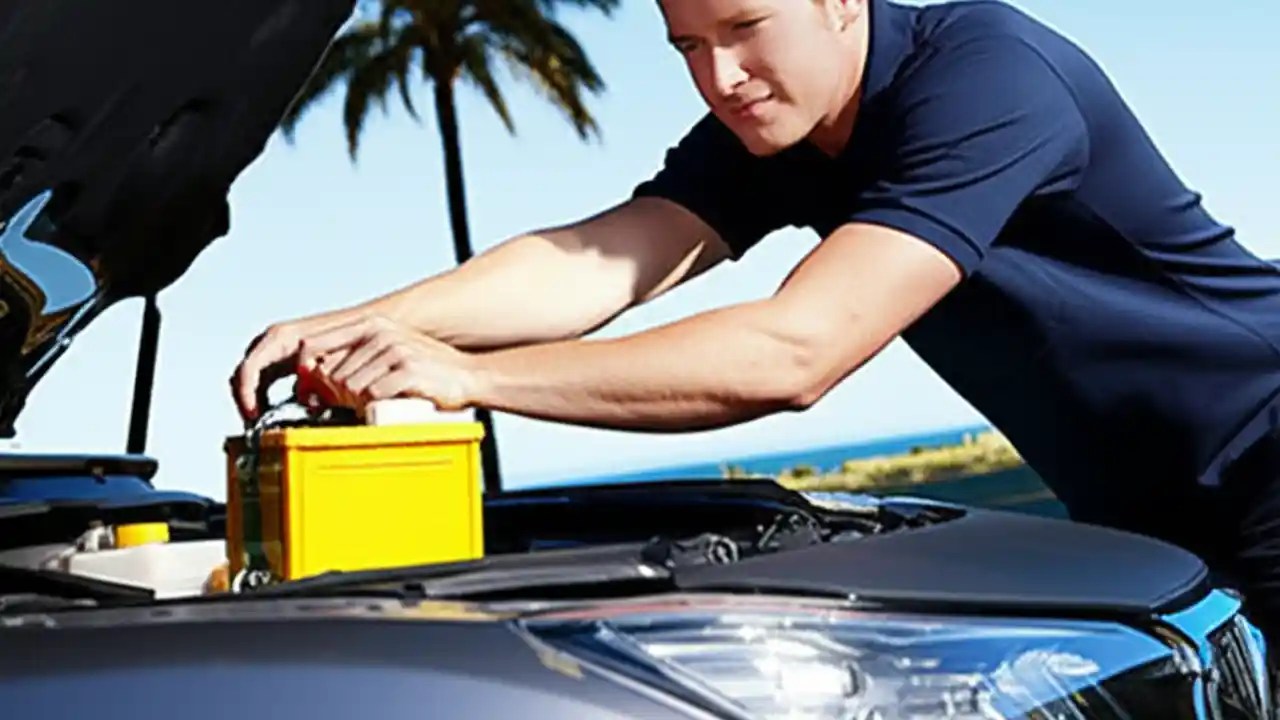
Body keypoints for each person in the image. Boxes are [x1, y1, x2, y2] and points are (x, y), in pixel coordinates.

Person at [233, 0, 1280, 641]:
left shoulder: (986, 77)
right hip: (1143, 517)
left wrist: (469, 378)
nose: (718, 78)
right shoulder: (769, 131)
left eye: (742, 29)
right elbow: (599, 261)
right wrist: (360, 322)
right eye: (686, 44)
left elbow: (794, 351)